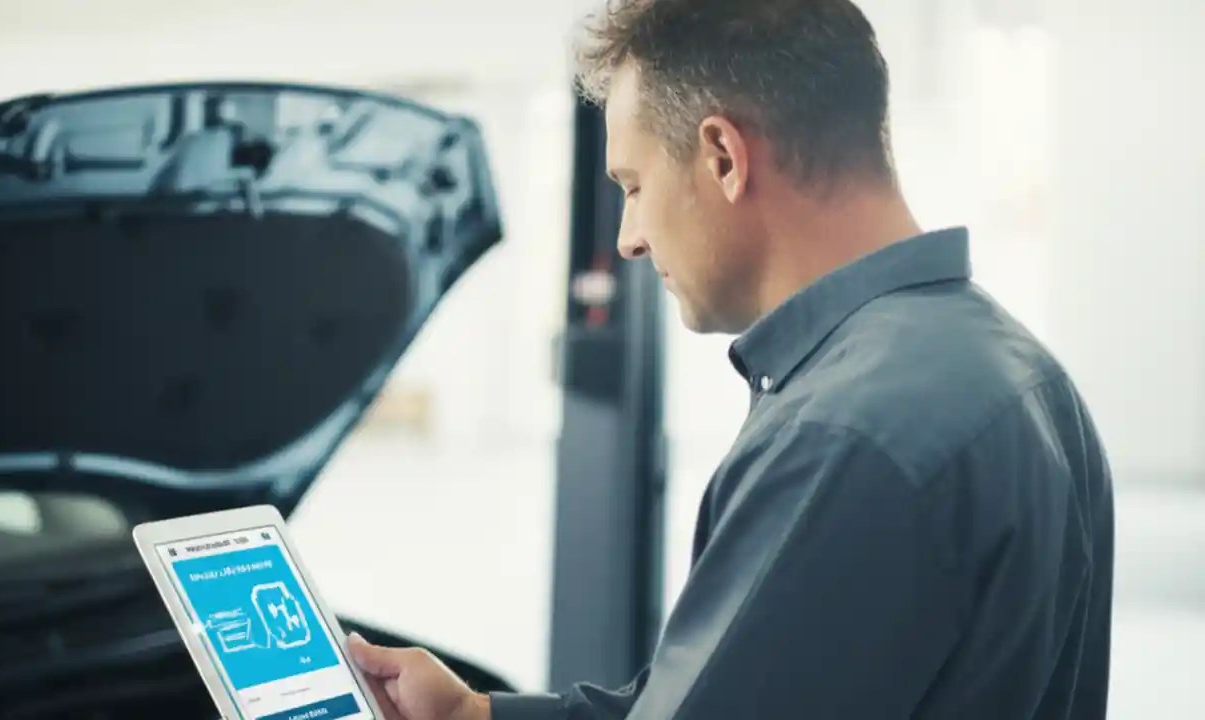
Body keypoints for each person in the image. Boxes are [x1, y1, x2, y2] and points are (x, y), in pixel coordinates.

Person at [347, 0, 1115, 718]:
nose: (628, 238)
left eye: (634, 185)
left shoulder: (845, 436)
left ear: (722, 156)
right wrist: (477, 713)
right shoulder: (1022, 374)